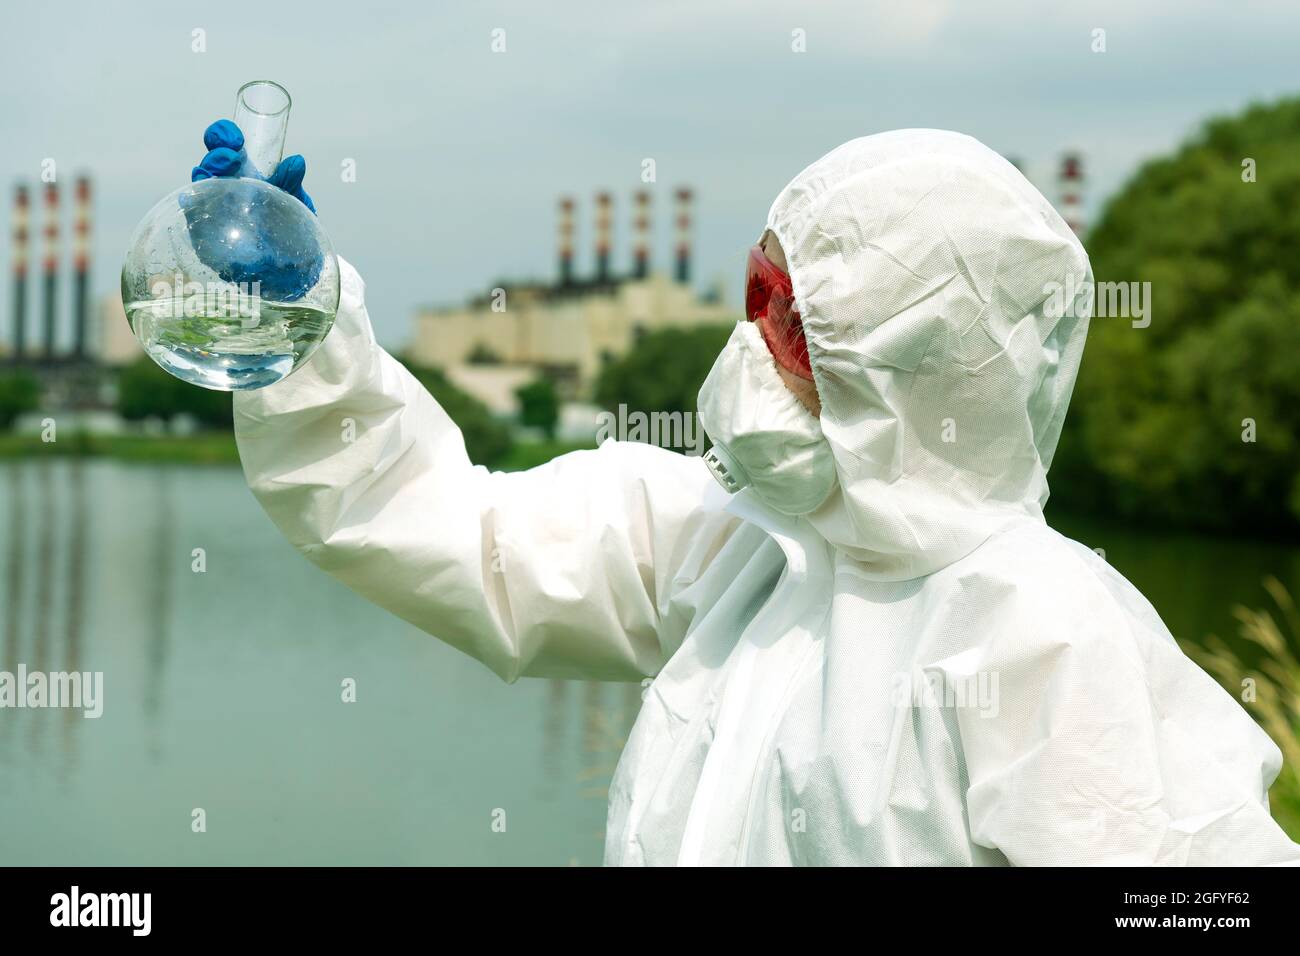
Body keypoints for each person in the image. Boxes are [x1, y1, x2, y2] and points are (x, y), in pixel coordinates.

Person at [199, 122, 1300, 866]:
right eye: (753, 294)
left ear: (909, 353)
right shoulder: (739, 545)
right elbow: (445, 527)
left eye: (782, 310)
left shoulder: (1048, 634)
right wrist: (301, 337)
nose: (745, 342)